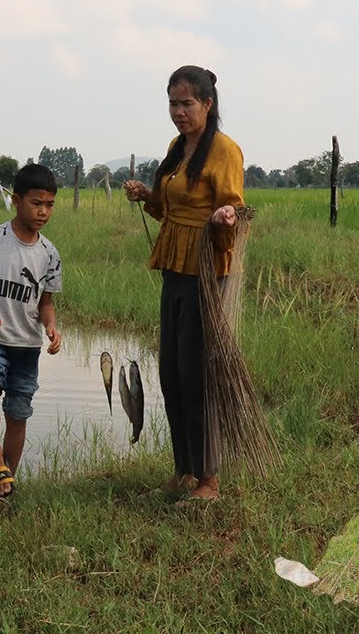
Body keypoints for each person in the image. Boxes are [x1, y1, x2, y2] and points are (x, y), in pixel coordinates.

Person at [124, 65, 244, 503]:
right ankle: (182, 472)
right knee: (171, 373)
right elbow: (167, 209)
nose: (178, 112)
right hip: (174, 269)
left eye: (186, 103)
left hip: (207, 275)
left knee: (199, 375)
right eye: (173, 103)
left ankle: (208, 480)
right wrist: (146, 196)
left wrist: (224, 219)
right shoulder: (177, 147)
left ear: (208, 105)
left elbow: (234, 210)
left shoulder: (226, 151)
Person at [0, 163, 63, 515]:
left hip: (28, 346)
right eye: (36, 203)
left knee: (18, 414)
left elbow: (46, 303)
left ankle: (4, 489)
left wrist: (51, 327)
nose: (43, 212)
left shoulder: (49, 254)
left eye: (49, 204)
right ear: (16, 201)